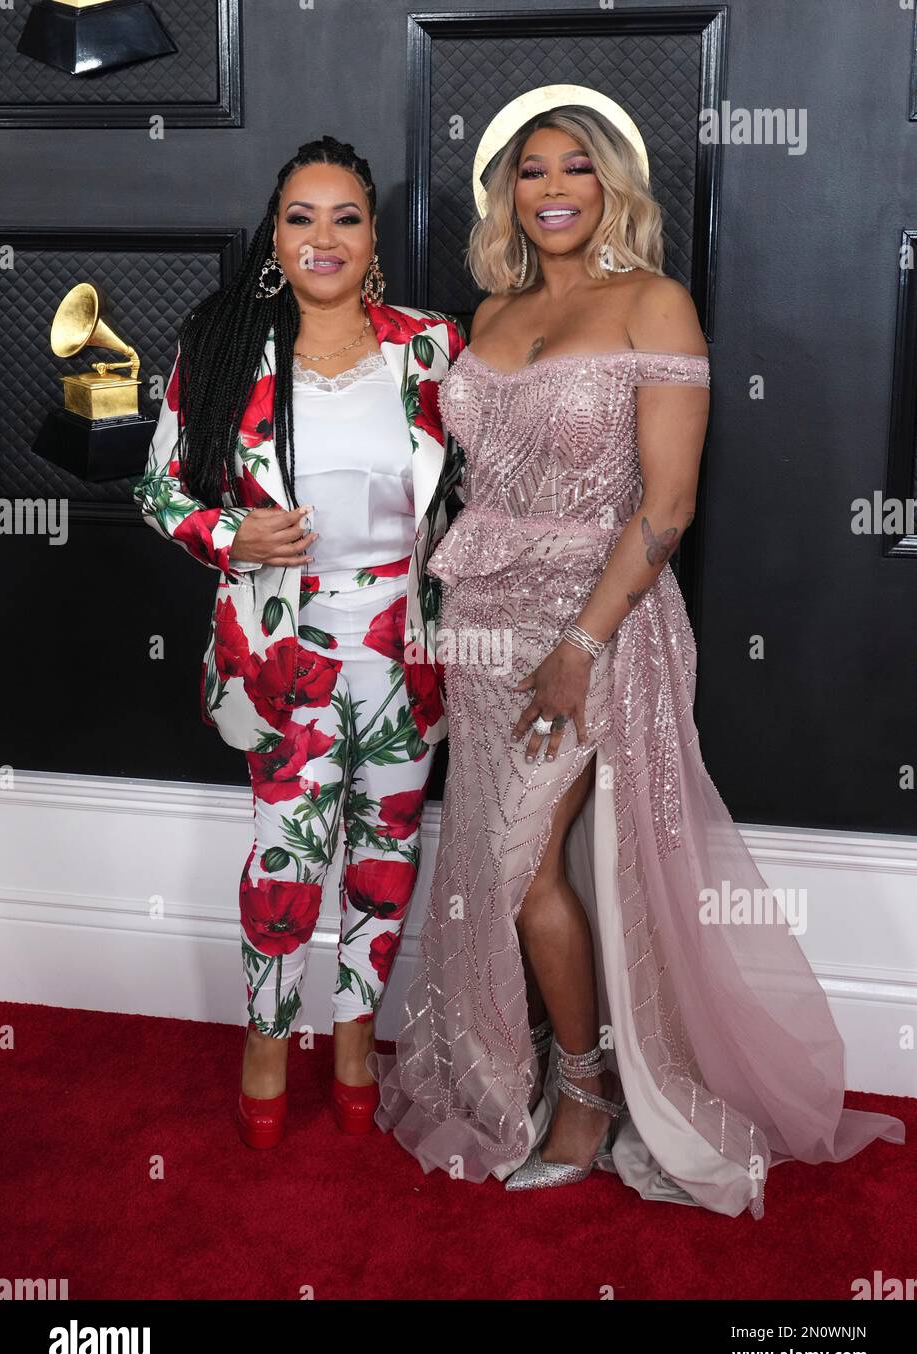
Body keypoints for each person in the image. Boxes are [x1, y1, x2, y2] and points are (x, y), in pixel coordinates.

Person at [370, 104, 905, 1215]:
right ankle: (538, 1069)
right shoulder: (494, 308)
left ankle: (590, 1091)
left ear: (615, 183)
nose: (554, 186)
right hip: (480, 616)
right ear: (505, 191)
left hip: (592, 615)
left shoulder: (655, 303)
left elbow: (668, 505)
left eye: (579, 166)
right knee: (505, 861)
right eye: (531, 169)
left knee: (521, 868)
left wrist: (580, 644)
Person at [134, 135, 465, 1148]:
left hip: (405, 647)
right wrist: (236, 533)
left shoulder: (431, 346)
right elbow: (157, 490)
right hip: (284, 649)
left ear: (373, 241)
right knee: (286, 856)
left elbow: (481, 488)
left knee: (387, 847)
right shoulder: (225, 343)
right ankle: (270, 1038)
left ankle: (357, 1034)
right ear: (274, 238)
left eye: (346, 218)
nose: (324, 237)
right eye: (301, 218)